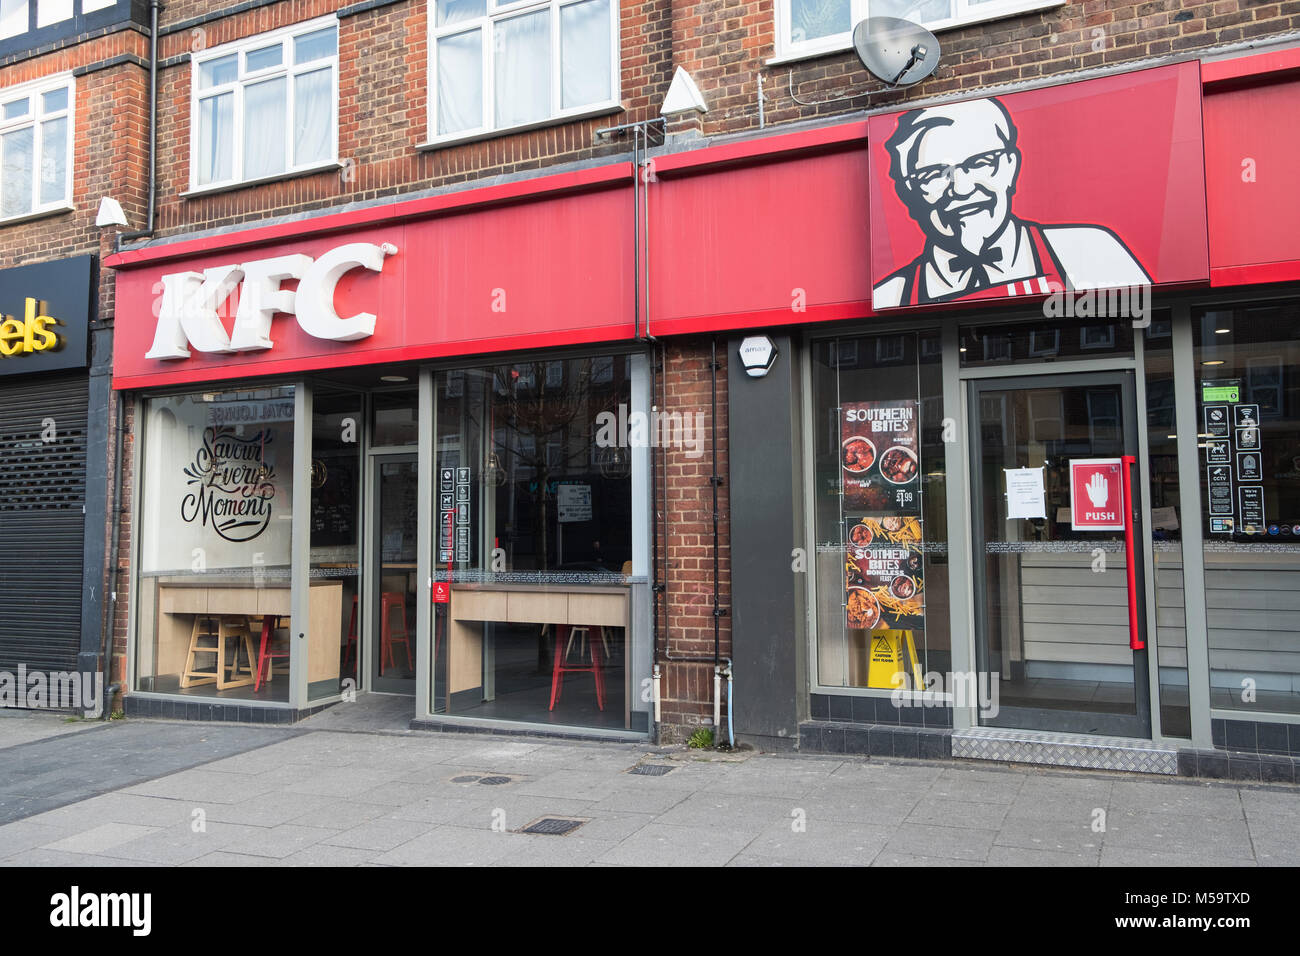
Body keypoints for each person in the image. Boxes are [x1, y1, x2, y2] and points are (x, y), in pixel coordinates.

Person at [873, 97, 1151, 308]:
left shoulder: (1089, 252)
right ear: (907, 192)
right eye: (934, 174)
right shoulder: (891, 295)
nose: (962, 188)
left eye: (980, 163)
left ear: (1010, 166)